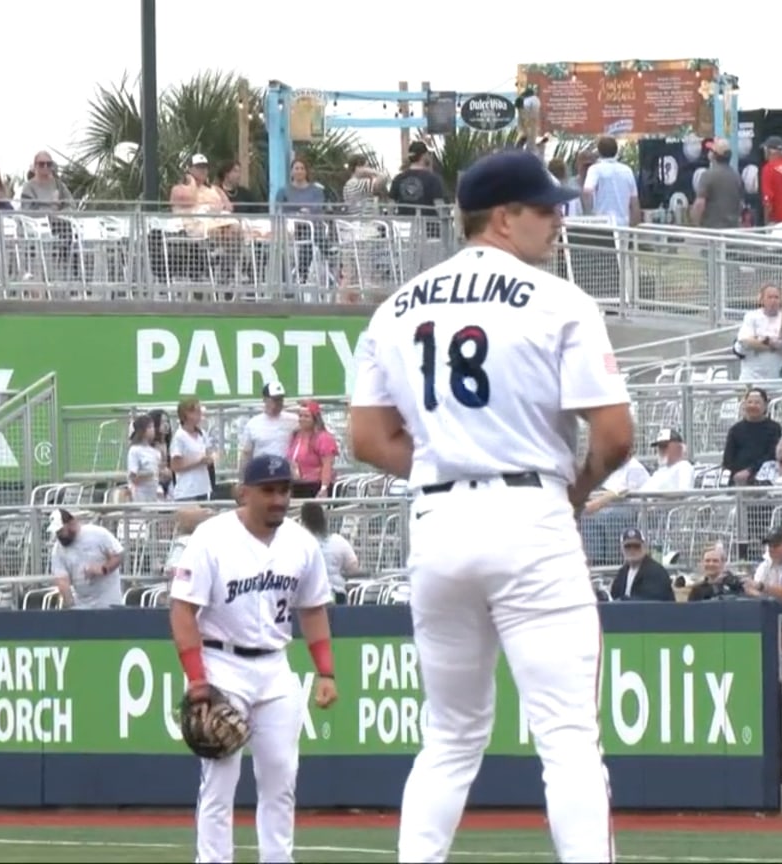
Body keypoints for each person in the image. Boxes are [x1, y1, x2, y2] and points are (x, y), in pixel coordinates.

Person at [346, 148, 632, 863]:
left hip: (438, 521)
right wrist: (579, 486)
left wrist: (450, 457)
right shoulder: (559, 299)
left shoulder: (394, 309)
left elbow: (367, 439)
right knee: (566, 736)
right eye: (545, 207)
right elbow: (617, 436)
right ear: (504, 218)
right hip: (529, 513)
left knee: (448, 737)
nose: (559, 219)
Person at [169, 456, 338, 863]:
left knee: (281, 778)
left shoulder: (300, 542)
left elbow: (313, 608)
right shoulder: (212, 537)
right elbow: (181, 610)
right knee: (220, 780)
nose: (279, 498)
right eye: (269, 490)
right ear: (244, 492)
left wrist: (326, 671)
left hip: (276, 667)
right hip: (221, 664)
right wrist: (197, 681)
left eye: (284, 490)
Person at [47, 510, 125, 610]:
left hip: (109, 602)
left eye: (61, 531)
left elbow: (118, 556)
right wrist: (70, 606)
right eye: (57, 532)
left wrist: (103, 569)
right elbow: (62, 581)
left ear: (71, 524)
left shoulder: (97, 534)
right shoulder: (58, 550)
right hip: (82, 606)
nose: (59, 535)